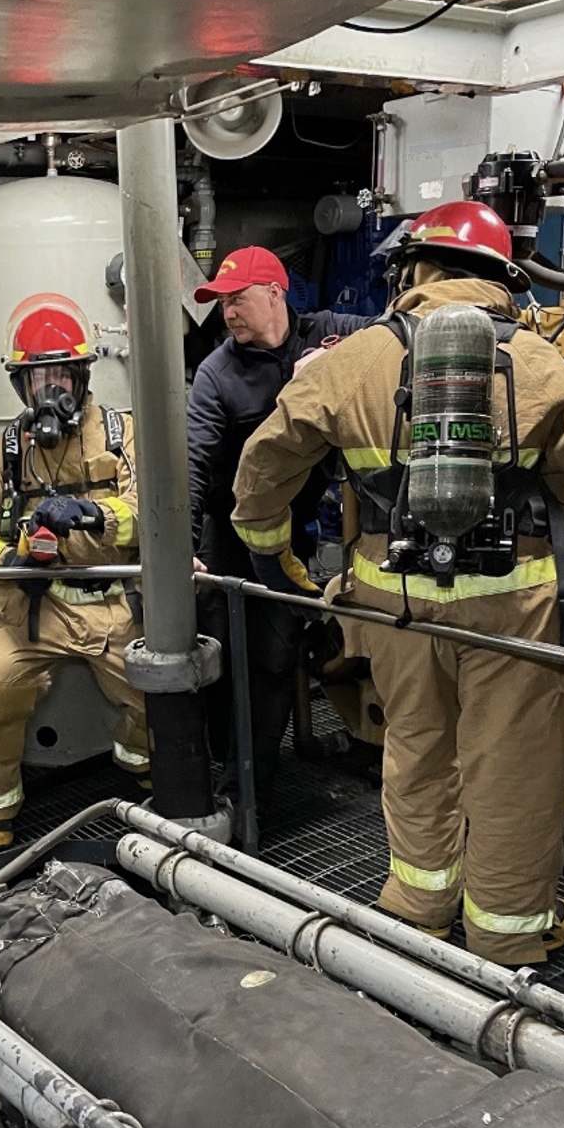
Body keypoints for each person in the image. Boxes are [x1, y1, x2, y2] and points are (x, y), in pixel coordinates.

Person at [231, 203, 564, 966]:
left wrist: (280, 557)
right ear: (503, 279)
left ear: (412, 271)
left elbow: (263, 467)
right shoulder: (539, 366)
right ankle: (504, 941)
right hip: (512, 618)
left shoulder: (352, 360)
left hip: (396, 611)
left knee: (415, 753)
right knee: (511, 771)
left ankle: (419, 906)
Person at [0, 295, 147, 849]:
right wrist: (9, 562)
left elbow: (152, 507)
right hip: (35, 608)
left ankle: (143, 764)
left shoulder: (120, 436)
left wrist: (94, 515)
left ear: (83, 376)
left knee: (158, 693)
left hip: (115, 604)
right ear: (22, 386)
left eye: (62, 375)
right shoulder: (6, 452)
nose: (51, 392)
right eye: (39, 379)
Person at [188, 246, 371, 797]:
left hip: (295, 532)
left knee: (273, 658)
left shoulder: (330, 331)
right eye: (222, 304)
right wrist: (181, 544)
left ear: (275, 293)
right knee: (222, 655)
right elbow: (192, 463)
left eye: (237, 299)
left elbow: (399, 332)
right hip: (230, 533)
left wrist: (330, 367)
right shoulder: (217, 374)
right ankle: (226, 768)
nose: (229, 313)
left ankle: (254, 781)